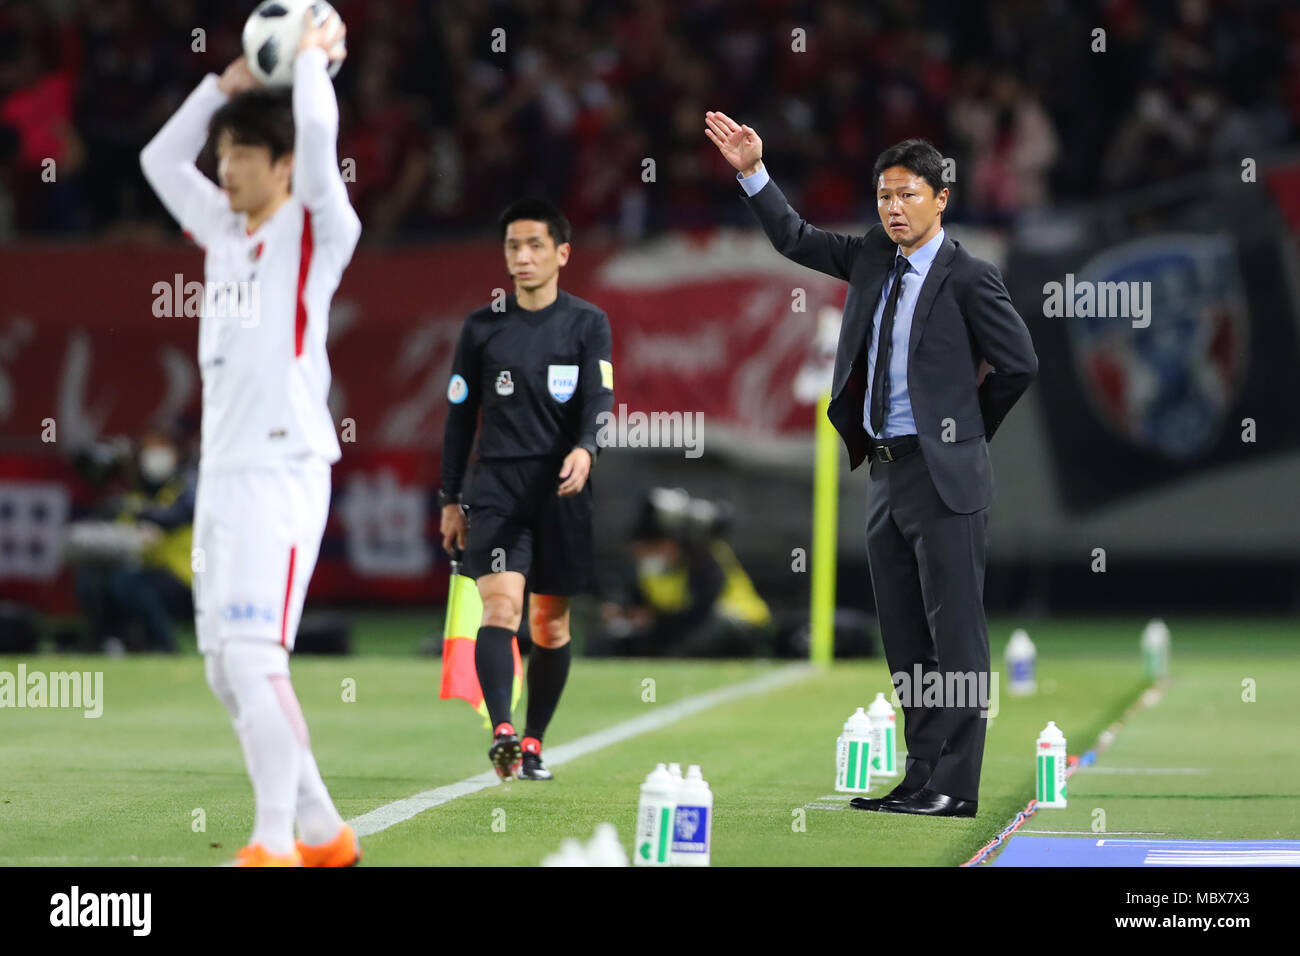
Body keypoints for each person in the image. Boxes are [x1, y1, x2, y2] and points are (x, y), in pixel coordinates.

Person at [706, 113, 1038, 818]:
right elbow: (794, 237)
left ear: (942, 198)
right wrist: (752, 173)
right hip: (885, 474)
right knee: (907, 638)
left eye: (908, 194)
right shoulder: (868, 259)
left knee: (957, 638)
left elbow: (1019, 364)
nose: (893, 207)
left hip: (944, 476)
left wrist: (963, 435)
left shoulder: (970, 278)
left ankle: (957, 785)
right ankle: (920, 775)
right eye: (885, 195)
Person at [139, 13, 362, 865]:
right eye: (222, 155)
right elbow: (160, 161)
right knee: (224, 669)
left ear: (282, 168)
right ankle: (323, 833)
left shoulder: (313, 230)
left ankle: (272, 845)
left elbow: (314, 128)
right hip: (224, 473)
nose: (223, 169)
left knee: (253, 652)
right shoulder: (223, 234)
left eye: (240, 155)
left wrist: (309, 60)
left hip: (283, 465)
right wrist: (223, 87)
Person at [439, 197, 614, 782]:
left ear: (562, 253)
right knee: (499, 607)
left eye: (535, 245)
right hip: (497, 488)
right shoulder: (482, 328)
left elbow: (598, 398)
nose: (522, 256)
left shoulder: (587, 323)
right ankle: (503, 733)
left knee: (551, 625)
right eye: (513, 246)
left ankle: (534, 739)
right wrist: (448, 497)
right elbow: (459, 419)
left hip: (561, 489)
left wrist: (586, 447)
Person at [593, 487, 773, 658]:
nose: (641, 557)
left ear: (669, 544)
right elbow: (637, 598)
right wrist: (622, 611)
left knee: (699, 635)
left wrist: (654, 622)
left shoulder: (707, 558)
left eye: (647, 549)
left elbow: (698, 613)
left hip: (742, 623)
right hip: (685, 626)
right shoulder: (651, 570)